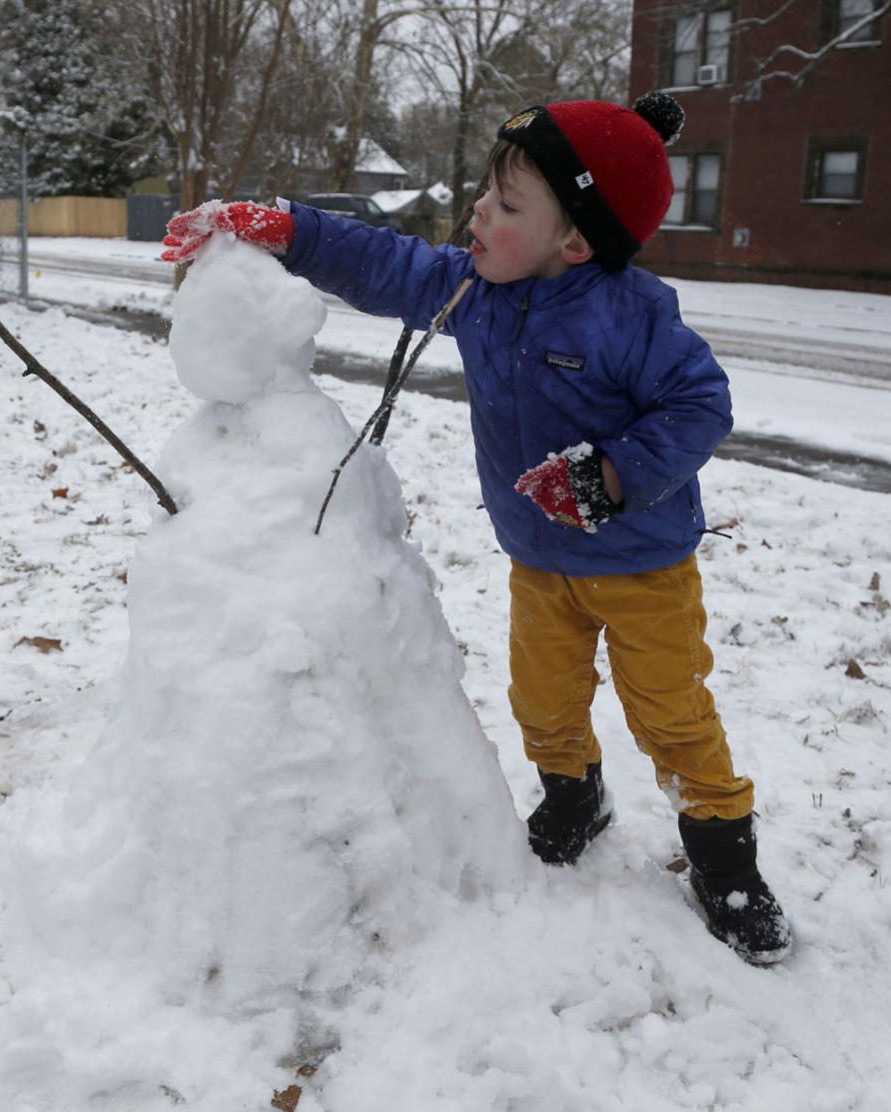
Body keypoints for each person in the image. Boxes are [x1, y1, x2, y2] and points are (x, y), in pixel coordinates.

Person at [160, 93, 791, 966]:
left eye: (504, 204)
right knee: (542, 703)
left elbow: (701, 405)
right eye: (484, 194)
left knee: (672, 716)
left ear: (573, 240)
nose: (477, 212)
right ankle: (576, 799)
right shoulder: (478, 291)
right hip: (538, 562)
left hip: (644, 569)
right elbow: (387, 264)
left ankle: (727, 861)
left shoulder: (632, 316)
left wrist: (610, 476)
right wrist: (287, 230)